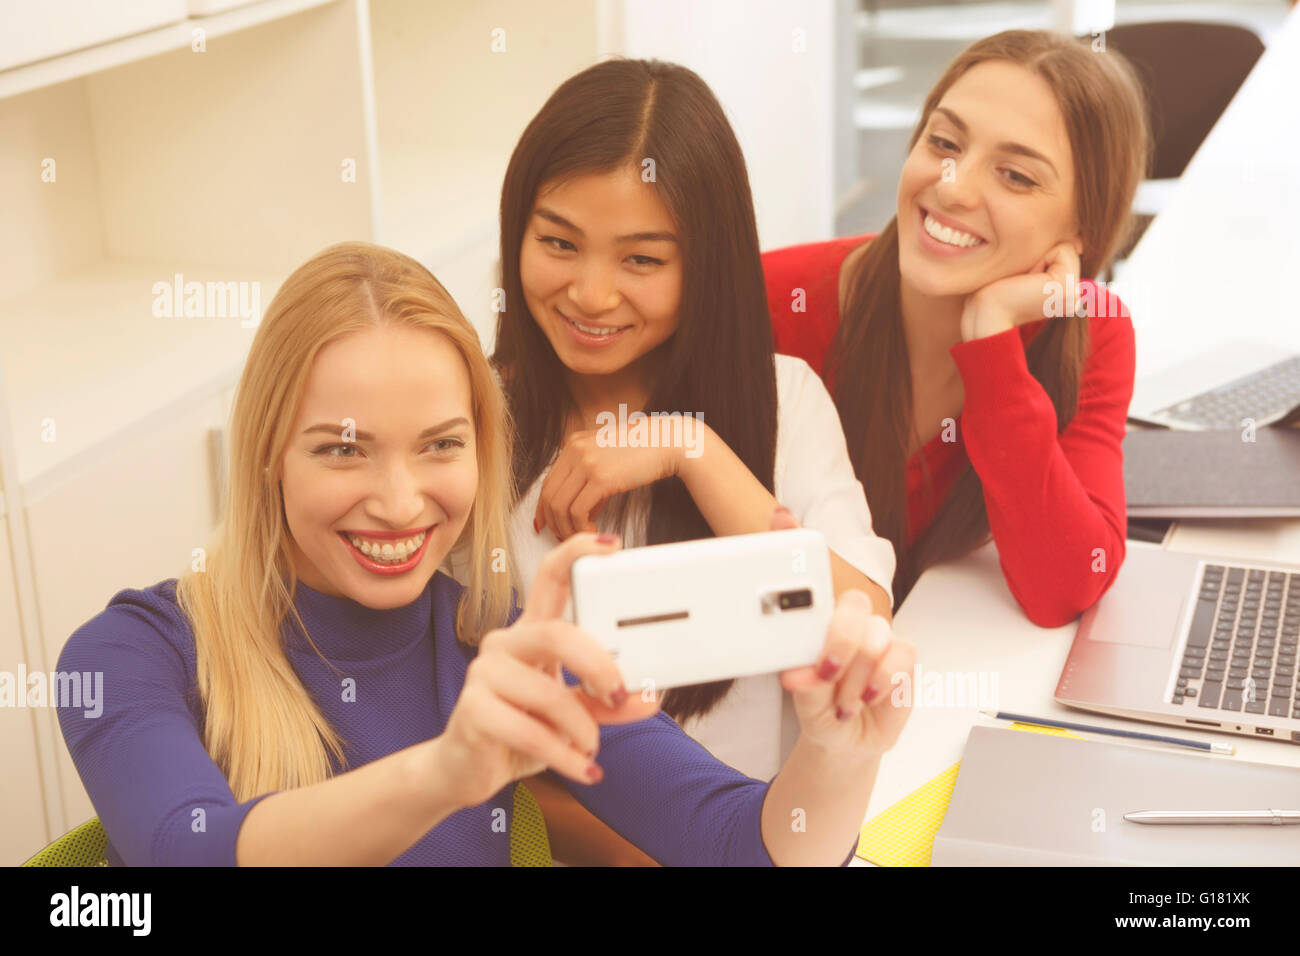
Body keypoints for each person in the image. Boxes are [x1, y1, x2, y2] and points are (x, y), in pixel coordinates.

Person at [55, 241, 913, 866]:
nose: (399, 502)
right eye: (343, 450)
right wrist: (446, 772)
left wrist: (839, 756)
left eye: (439, 444)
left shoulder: (499, 644)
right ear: (266, 458)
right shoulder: (130, 652)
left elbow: (747, 847)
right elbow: (189, 853)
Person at [485, 58, 898, 864]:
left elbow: (863, 627)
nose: (591, 294)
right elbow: (485, 741)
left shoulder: (784, 401)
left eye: (642, 260)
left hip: (778, 839)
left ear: (706, 265)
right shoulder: (469, 426)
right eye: (559, 243)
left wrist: (691, 449)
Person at [764, 30, 1152, 624]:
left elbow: (1067, 585)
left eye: (1015, 176)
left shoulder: (1090, 332)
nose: (952, 186)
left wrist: (992, 342)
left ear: (1081, 230)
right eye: (944, 143)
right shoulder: (772, 299)